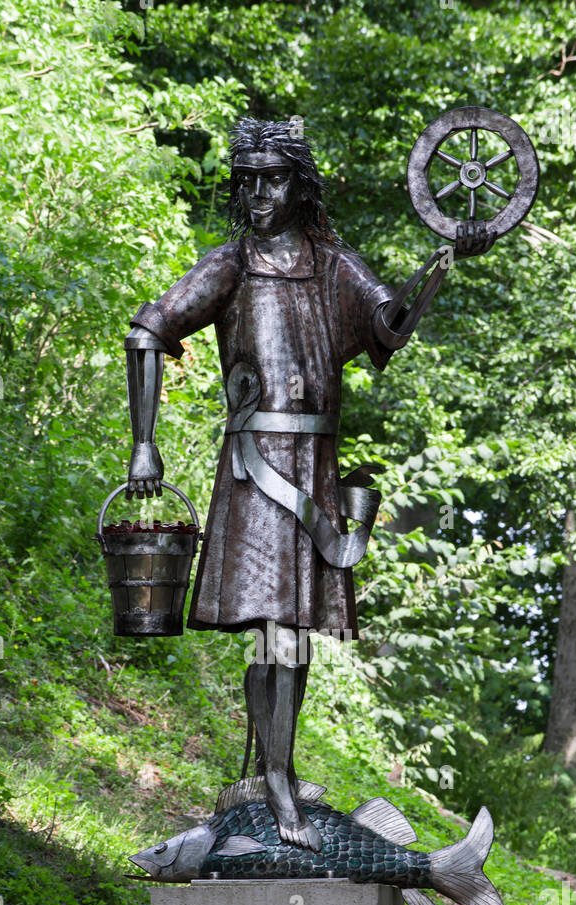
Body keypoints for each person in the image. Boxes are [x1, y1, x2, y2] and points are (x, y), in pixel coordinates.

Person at [125, 117, 493, 849]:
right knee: (274, 634)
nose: (260, 193)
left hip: (315, 474)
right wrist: (144, 447)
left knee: (291, 636)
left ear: (301, 185)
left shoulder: (333, 267)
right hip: (256, 474)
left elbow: (390, 322)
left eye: (275, 177)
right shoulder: (229, 263)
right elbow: (148, 330)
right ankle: (278, 782)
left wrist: (444, 257)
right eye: (248, 179)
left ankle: (275, 772)